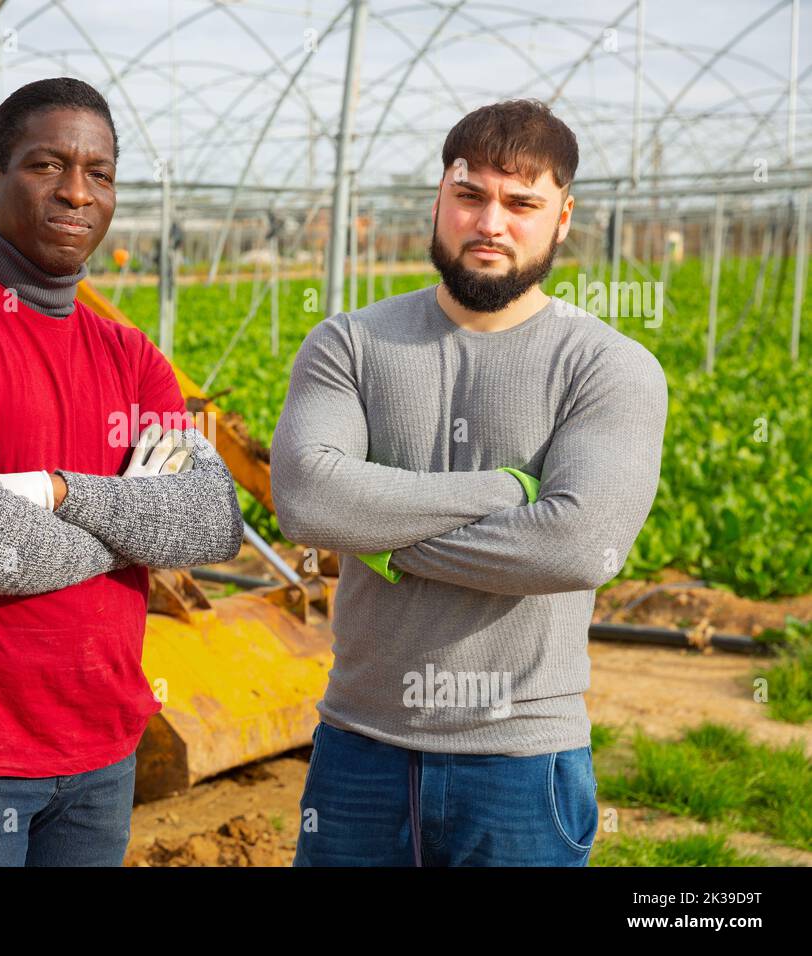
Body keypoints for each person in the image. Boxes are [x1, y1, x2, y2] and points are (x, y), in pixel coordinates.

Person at [0, 77, 244, 867]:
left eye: (100, 173)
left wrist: (61, 494)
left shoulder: (130, 356)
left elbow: (214, 522)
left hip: (103, 754)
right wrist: (134, 532)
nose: (76, 191)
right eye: (48, 165)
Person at [270, 99, 668, 866]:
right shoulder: (349, 344)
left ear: (561, 218)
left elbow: (578, 548)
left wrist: (379, 538)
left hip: (523, 759)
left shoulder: (608, 367)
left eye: (522, 202)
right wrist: (511, 492)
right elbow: (310, 501)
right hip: (359, 749)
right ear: (439, 201)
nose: (492, 221)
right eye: (471, 194)